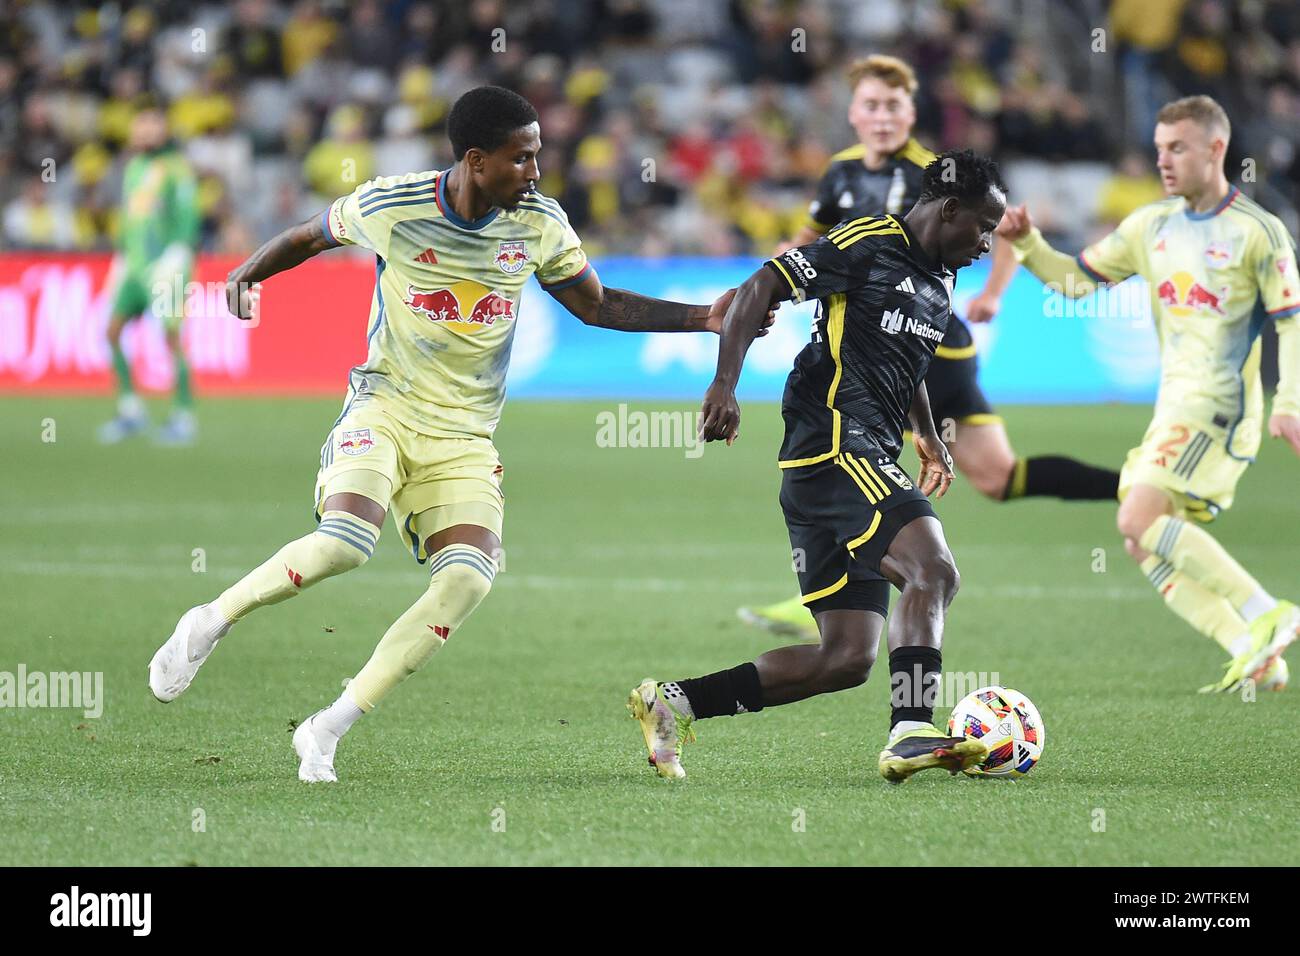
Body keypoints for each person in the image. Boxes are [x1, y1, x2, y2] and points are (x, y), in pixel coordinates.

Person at [146, 86, 770, 782]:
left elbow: (597, 306)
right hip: (383, 407)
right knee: (345, 544)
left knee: (469, 580)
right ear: (477, 160)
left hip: (465, 437)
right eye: (522, 158)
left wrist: (704, 319)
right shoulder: (393, 205)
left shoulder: (537, 222)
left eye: (537, 157)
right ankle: (212, 618)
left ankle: (327, 728)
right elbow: (308, 235)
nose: (535, 173)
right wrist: (246, 273)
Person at [628, 149, 1007, 783]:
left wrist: (927, 435)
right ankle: (911, 730)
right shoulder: (867, 242)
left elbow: (907, 360)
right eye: (984, 226)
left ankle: (675, 702)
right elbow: (761, 286)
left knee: (846, 657)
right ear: (949, 211)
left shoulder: (942, 278)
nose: (988, 243)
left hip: (842, 463)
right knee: (933, 569)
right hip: (837, 446)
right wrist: (726, 383)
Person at [742, 55, 1119, 639]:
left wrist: (992, 293)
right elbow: (811, 241)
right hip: (872, 343)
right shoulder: (839, 174)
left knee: (967, 476)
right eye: (871, 105)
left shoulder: (942, 175)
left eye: (894, 105)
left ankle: (1127, 488)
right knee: (983, 477)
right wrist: (772, 282)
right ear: (853, 114)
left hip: (932, 344)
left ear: (911, 112)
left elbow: (1007, 232)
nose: (882, 116)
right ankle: (862, 583)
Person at [999, 95, 1299, 693]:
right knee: (1139, 539)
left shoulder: (1260, 234)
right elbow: (1074, 283)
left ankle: (1269, 610)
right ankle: (1247, 645)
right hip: (1173, 410)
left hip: (1220, 410)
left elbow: (1290, 321)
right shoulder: (1149, 226)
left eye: (1178, 148)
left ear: (1216, 149)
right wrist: (1030, 243)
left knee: (1137, 516)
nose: (1163, 160)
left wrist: (1289, 401)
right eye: (1160, 148)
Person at [99, 105, 202, 445]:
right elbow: (130, 217)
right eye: (139, 125)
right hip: (134, 264)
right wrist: (122, 254)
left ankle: (183, 416)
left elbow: (188, 213)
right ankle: (130, 410)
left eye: (150, 125)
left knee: (171, 337)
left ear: (163, 130)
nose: (142, 132)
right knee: (112, 331)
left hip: (165, 264)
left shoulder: (176, 168)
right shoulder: (134, 167)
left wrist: (179, 251)